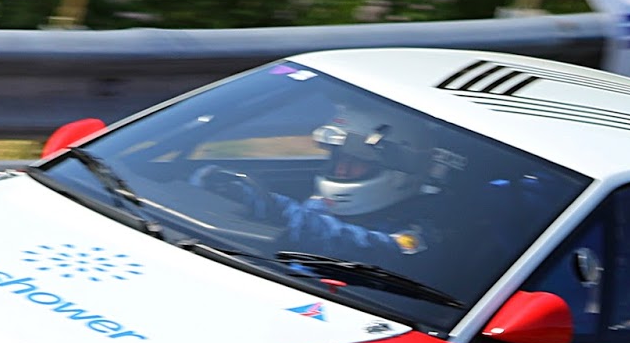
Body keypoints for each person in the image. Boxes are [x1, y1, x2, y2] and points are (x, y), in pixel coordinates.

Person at [191, 107, 456, 267]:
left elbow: (355, 243)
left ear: (395, 173)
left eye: (356, 163)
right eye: (339, 159)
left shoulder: (416, 236)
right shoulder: (319, 201)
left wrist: (274, 208)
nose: (341, 171)